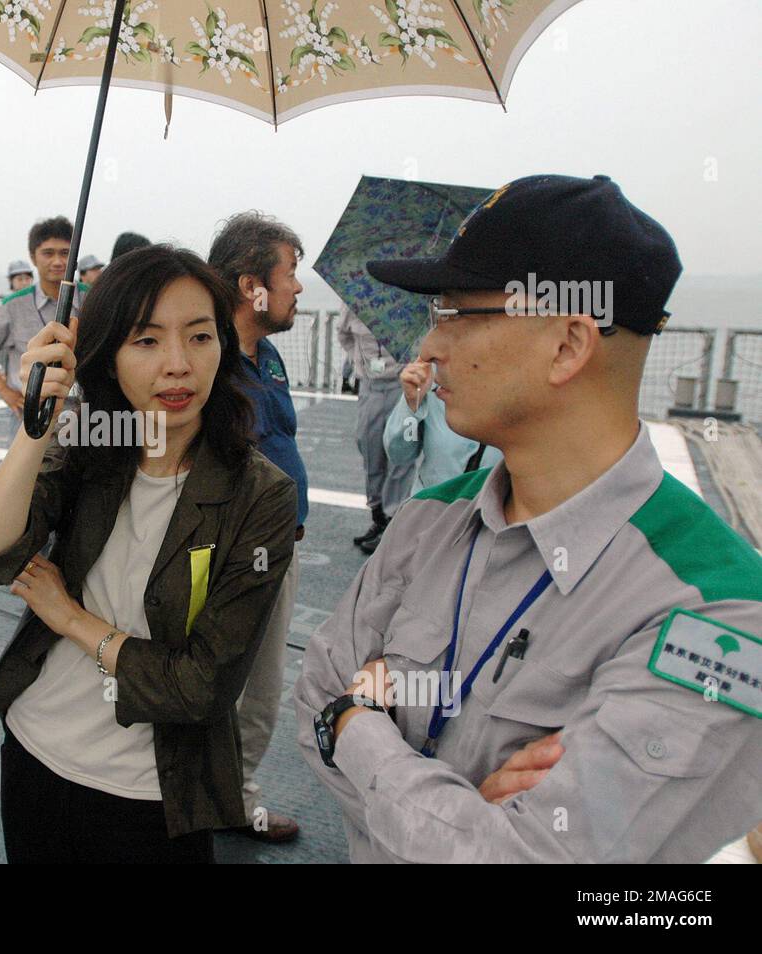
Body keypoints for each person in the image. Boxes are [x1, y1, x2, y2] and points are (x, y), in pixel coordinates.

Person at [294, 173, 762, 863]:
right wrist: (462, 820)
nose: (429, 349)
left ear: (569, 344)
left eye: (457, 314)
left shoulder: (718, 609)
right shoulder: (428, 522)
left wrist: (356, 727)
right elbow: (312, 702)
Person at [0, 244, 298, 863]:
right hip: (34, 752)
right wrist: (38, 428)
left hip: (153, 796)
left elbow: (200, 688)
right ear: (108, 356)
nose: (177, 366)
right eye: (145, 341)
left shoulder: (259, 495)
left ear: (223, 345)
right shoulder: (91, 443)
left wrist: (69, 618)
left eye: (199, 337)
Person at [207, 211, 308, 843]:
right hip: (234, 556)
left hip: (281, 549)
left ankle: (230, 796)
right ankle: (218, 800)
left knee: (260, 691)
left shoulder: (266, 356)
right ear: (252, 286)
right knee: (219, 685)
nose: (298, 288)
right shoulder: (208, 362)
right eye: (290, 272)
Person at [0, 217, 86, 421]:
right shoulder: (13, 305)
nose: (57, 261)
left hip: (85, 416)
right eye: (48, 253)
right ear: (33, 257)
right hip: (32, 414)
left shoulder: (94, 298)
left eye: (65, 253)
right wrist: (6, 392)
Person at [338, 307, 413, 552]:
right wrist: (358, 361)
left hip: (400, 384)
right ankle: (377, 515)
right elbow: (344, 336)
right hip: (370, 384)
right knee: (369, 446)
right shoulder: (354, 305)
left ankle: (392, 519)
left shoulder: (406, 303)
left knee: (400, 452)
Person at [383, 357, 503, 493]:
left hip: (495, 508)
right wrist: (412, 404)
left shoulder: (519, 380)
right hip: (433, 506)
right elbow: (399, 454)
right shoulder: (430, 375)